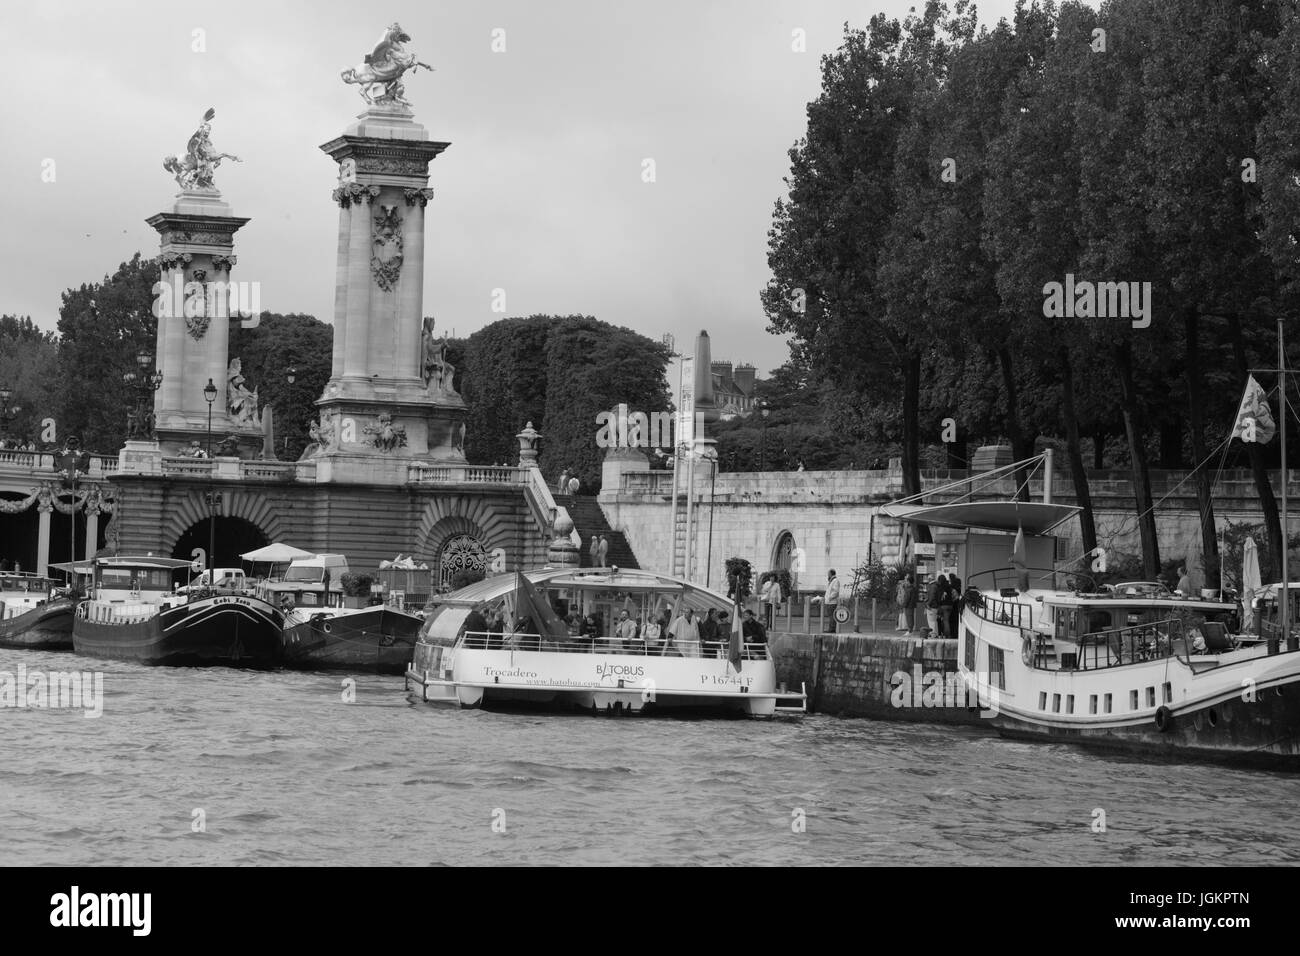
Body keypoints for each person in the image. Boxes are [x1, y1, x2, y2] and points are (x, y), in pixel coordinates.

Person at [937, 572, 954, 639]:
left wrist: (939, 604)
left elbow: (939, 597)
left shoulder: (941, 587)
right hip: (950, 605)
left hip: (944, 605)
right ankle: (947, 634)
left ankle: (947, 635)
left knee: (945, 621)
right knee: (947, 620)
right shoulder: (949, 586)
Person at [947, 572, 963, 639]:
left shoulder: (952, 587)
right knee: (956, 620)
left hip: (953, 604)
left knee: (952, 620)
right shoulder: (958, 586)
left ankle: (953, 634)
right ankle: (956, 634)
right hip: (958, 602)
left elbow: (952, 597)